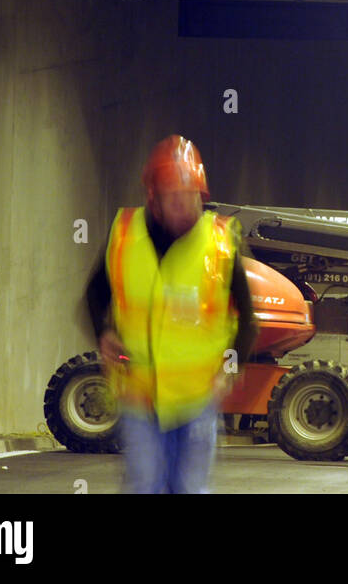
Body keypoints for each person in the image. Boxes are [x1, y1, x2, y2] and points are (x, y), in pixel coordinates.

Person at [86, 135, 256, 493]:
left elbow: (247, 319)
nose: (184, 205)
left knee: (189, 488)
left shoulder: (221, 242)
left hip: (197, 398)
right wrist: (104, 333)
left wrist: (229, 370)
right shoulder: (125, 235)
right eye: (174, 197)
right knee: (145, 484)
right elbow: (96, 292)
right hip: (139, 395)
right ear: (154, 198)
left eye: (191, 195)